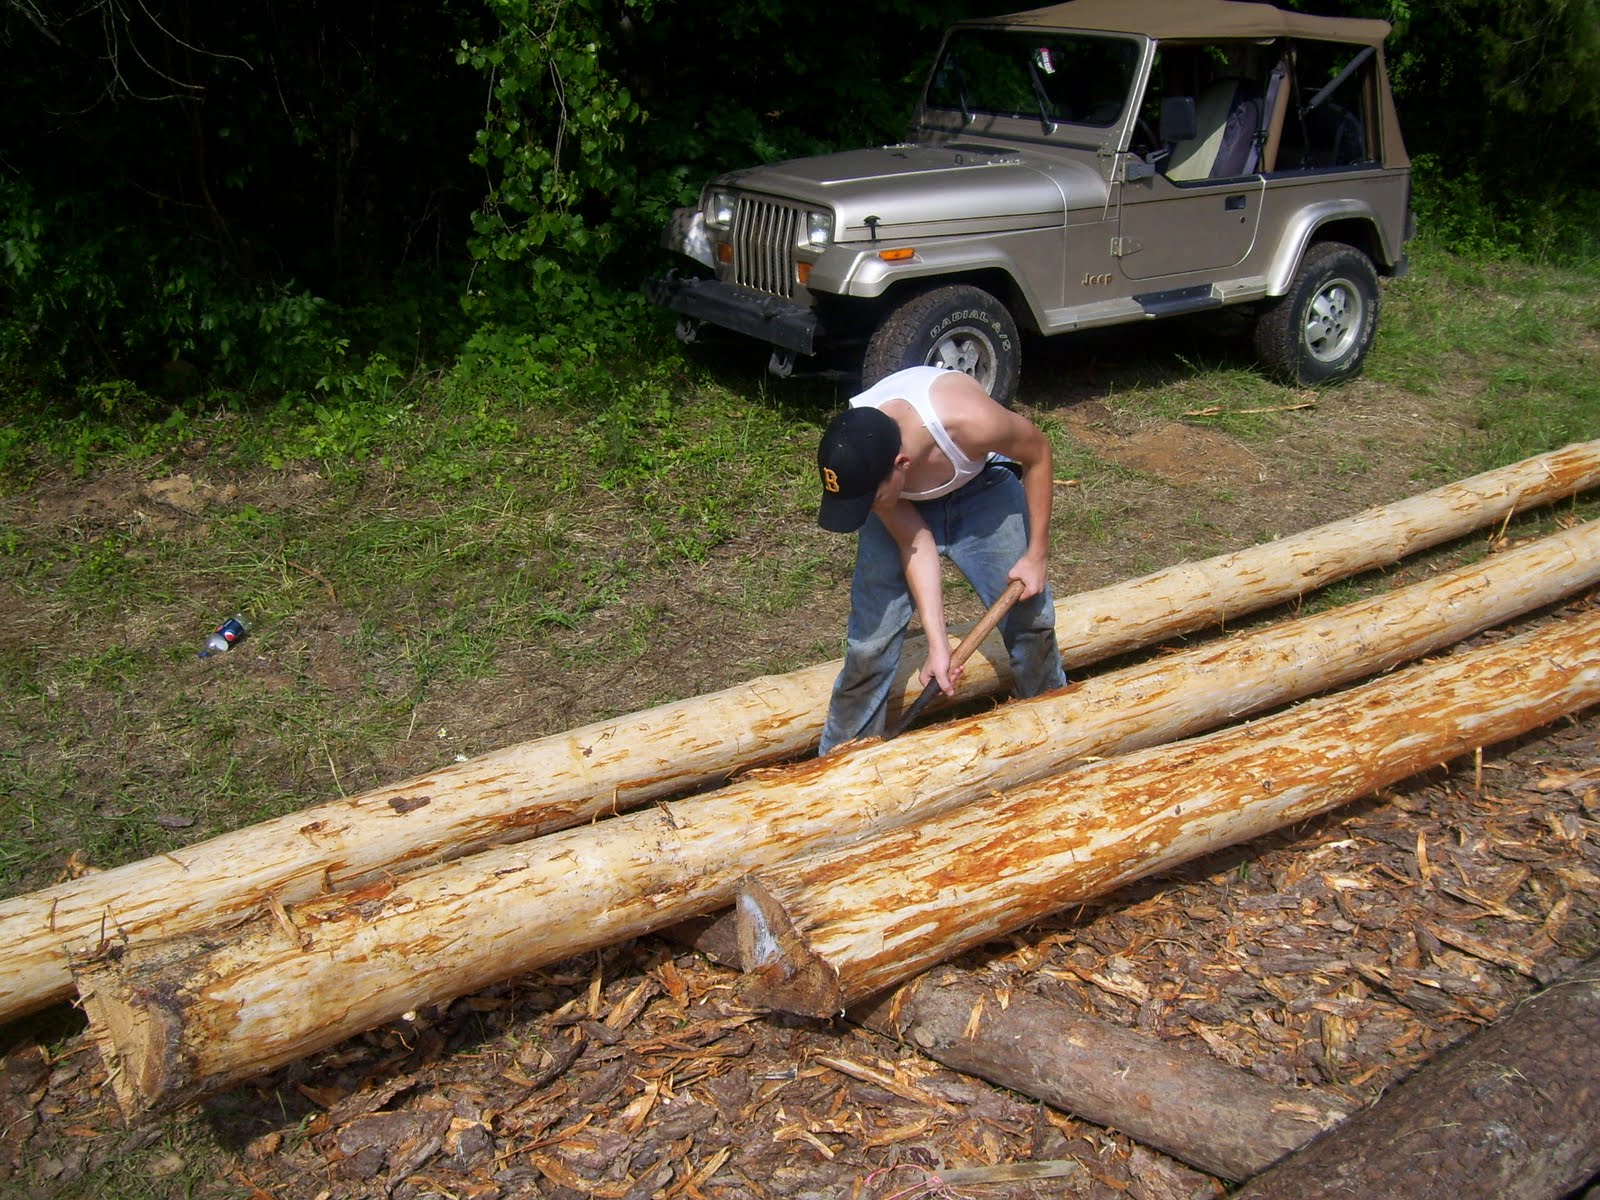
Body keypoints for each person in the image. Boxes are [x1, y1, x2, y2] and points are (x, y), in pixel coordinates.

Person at [815, 365, 1066, 753]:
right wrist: (938, 647)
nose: (866, 509)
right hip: (906, 502)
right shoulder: (860, 456)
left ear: (901, 464)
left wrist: (1036, 555)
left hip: (981, 489)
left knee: (1032, 620)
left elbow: (1038, 453)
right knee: (869, 645)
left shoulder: (969, 422)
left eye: (870, 502)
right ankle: (843, 762)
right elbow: (916, 543)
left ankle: (1053, 728)